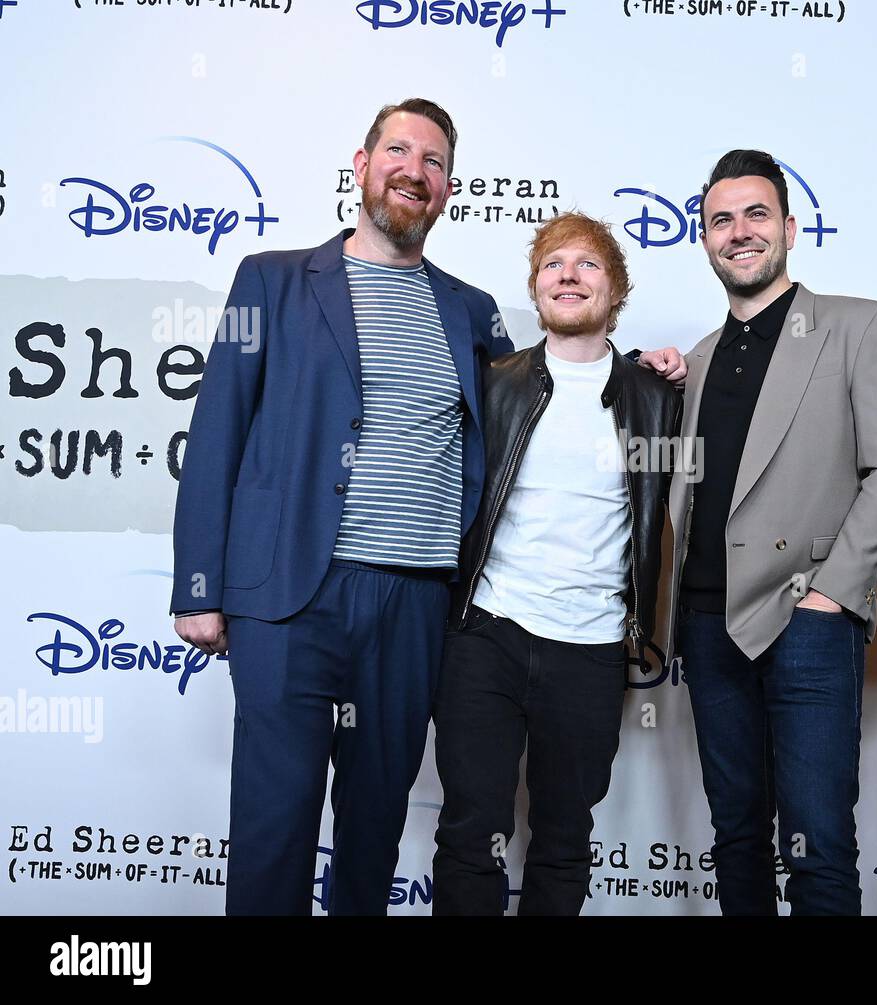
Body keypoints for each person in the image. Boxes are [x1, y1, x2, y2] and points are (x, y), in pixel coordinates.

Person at [170, 98, 514, 915]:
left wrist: (641, 373)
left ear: (448, 188)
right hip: (290, 595)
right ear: (360, 166)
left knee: (373, 831)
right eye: (398, 150)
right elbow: (218, 428)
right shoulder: (272, 279)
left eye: (432, 161)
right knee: (273, 823)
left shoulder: (471, 310)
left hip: (414, 603)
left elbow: (542, 404)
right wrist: (199, 587)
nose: (414, 170)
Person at [663, 150, 877, 915]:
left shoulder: (859, 324)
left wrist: (832, 597)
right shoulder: (698, 359)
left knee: (817, 843)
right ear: (705, 238)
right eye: (721, 220)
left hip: (807, 622)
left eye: (756, 214)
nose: (740, 232)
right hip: (708, 627)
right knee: (736, 835)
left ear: (791, 228)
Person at [431, 212, 682, 915]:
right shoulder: (492, 382)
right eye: (553, 264)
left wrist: (673, 368)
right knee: (470, 833)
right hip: (487, 637)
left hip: (592, 648)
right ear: (536, 287)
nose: (568, 274)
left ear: (618, 290)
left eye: (588, 264)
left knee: (565, 841)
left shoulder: (658, 398)